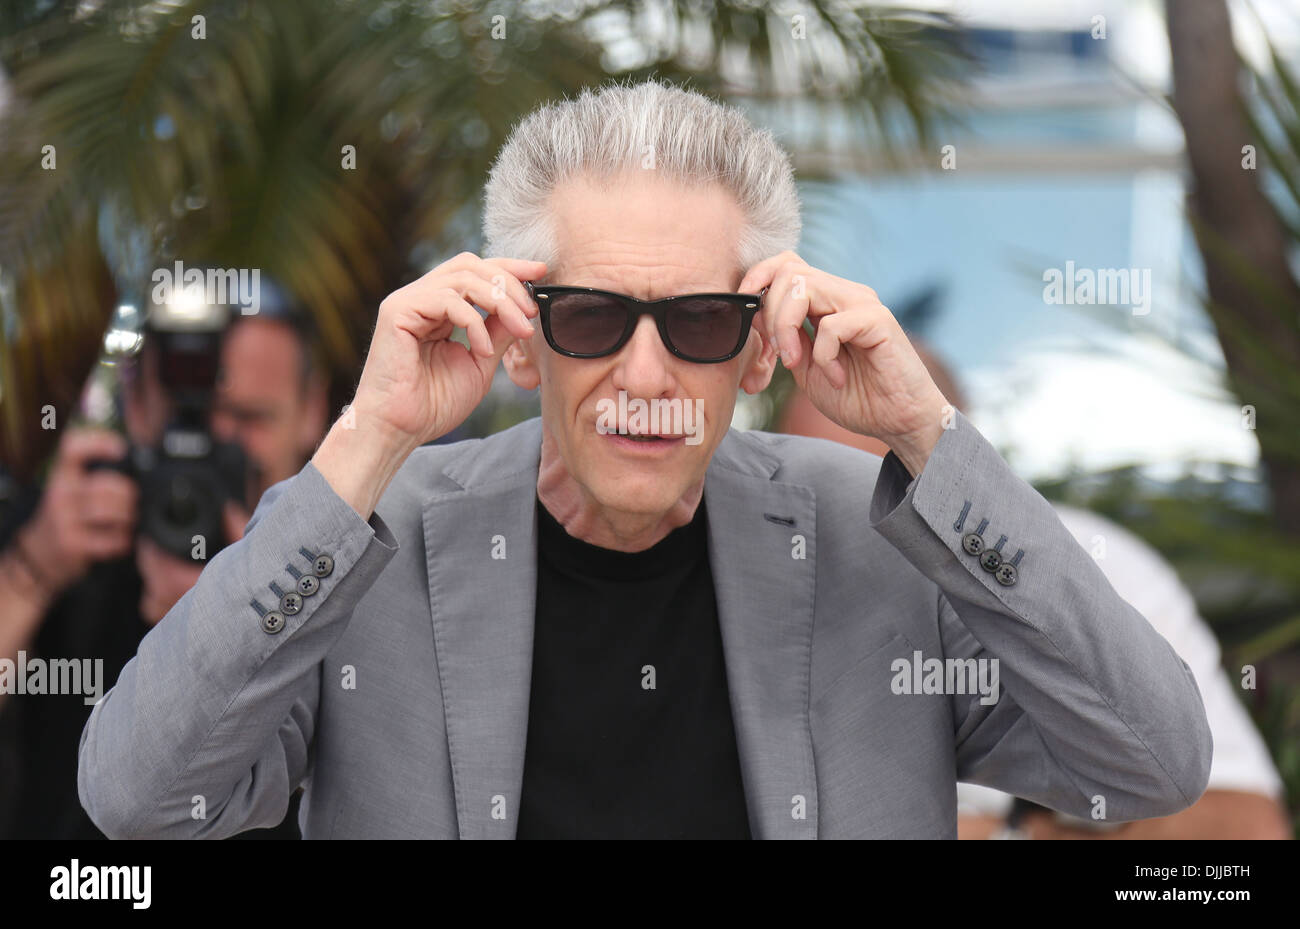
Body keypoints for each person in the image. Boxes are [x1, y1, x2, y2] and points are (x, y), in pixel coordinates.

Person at [78, 79, 1212, 840]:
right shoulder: (373, 537)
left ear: (759, 347)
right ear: (520, 338)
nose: (646, 374)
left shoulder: (879, 541)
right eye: (591, 318)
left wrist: (928, 435)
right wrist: (368, 439)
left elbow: (1154, 757)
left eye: (699, 323)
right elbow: (139, 795)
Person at [780, 345, 1291, 839]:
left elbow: (1245, 829)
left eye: (869, 481)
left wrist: (1008, 835)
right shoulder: (764, 602)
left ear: (949, 455)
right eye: (807, 490)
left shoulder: (1093, 567)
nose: (840, 517)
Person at [0, 289, 327, 838]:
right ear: (135, 401)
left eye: (249, 419)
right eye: (192, 413)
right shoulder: (62, 531)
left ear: (311, 412)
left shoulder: (341, 565)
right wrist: (30, 576)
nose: (214, 443)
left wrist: (240, 631)